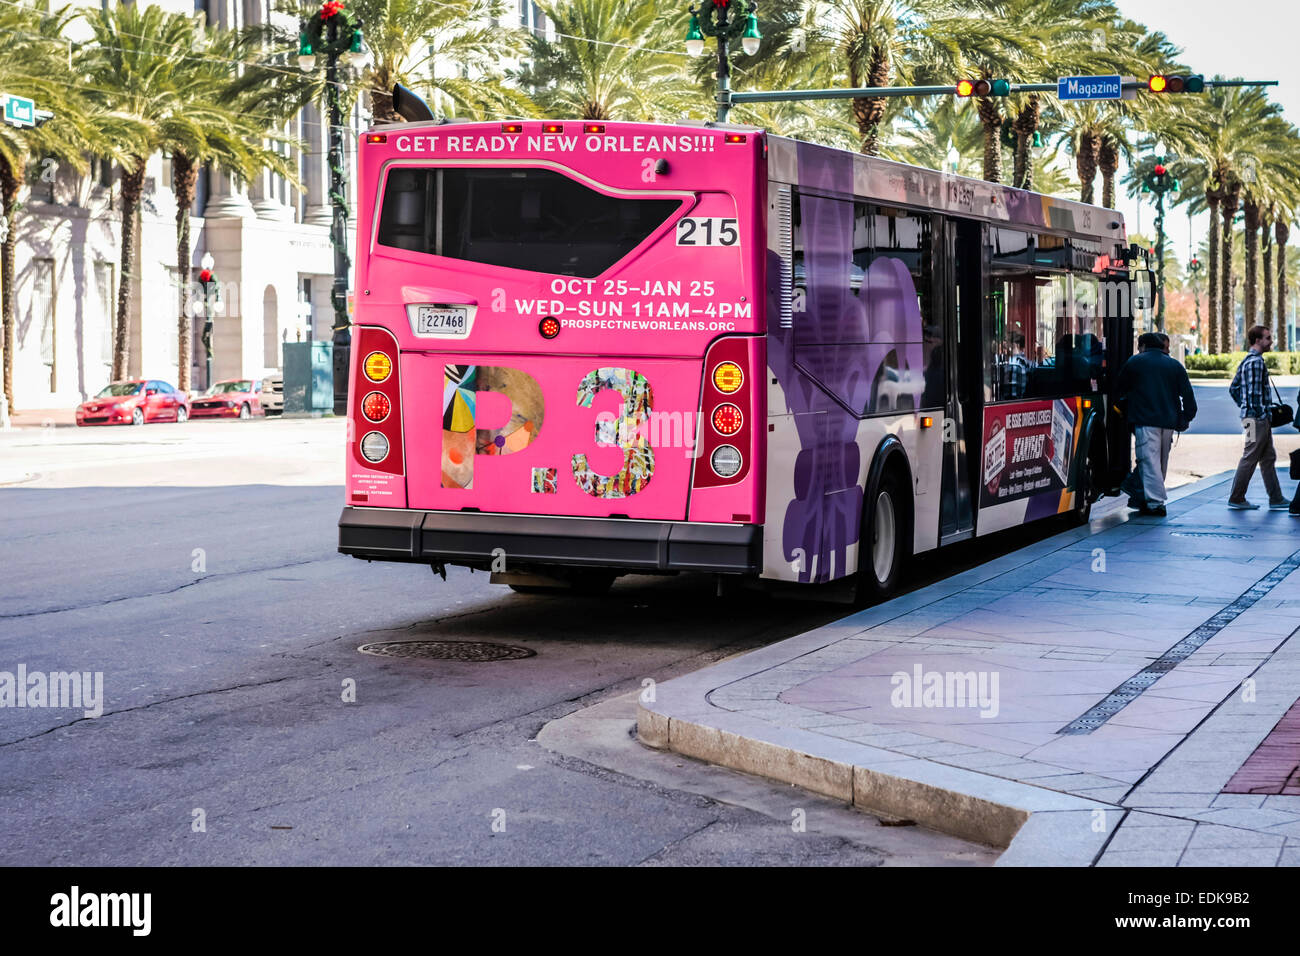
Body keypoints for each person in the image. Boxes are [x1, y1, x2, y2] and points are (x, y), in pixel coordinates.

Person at [1115, 331, 1198, 517]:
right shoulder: (1174, 365)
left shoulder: (1135, 363)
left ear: (1144, 346)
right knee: (1161, 461)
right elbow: (1188, 396)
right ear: (1162, 346)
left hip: (1145, 421)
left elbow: (1119, 390)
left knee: (1149, 461)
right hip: (1169, 422)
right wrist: (1186, 418)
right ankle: (1148, 498)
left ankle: (1154, 502)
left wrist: (1125, 413)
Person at [1227, 325, 1288, 510]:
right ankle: (1237, 498)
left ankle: (1276, 498)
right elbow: (1253, 394)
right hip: (1256, 420)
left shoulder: (1248, 360)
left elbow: (1234, 388)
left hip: (1254, 418)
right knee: (1250, 456)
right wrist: (1259, 413)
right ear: (1257, 340)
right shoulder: (1256, 362)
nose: (1271, 342)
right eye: (1268, 338)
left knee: (1268, 457)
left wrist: (1244, 406)